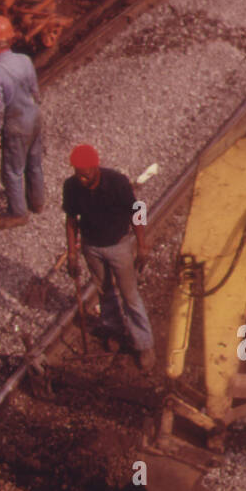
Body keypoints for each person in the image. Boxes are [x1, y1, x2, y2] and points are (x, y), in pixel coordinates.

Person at [62, 144, 155, 371]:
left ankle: (144, 345)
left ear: (95, 167)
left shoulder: (118, 182)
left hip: (119, 246)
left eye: (84, 173)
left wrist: (142, 245)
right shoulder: (71, 186)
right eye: (77, 172)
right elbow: (71, 220)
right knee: (104, 292)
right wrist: (72, 253)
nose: (81, 178)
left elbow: (137, 212)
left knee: (130, 295)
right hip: (91, 247)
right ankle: (114, 329)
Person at [0, 15, 44, 229]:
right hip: (34, 116)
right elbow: (35, 90)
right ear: (10, 40)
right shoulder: (25, 60)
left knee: (13, 170)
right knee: (35, 163)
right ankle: (37, 203)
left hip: (16, 124)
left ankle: (18, 213)